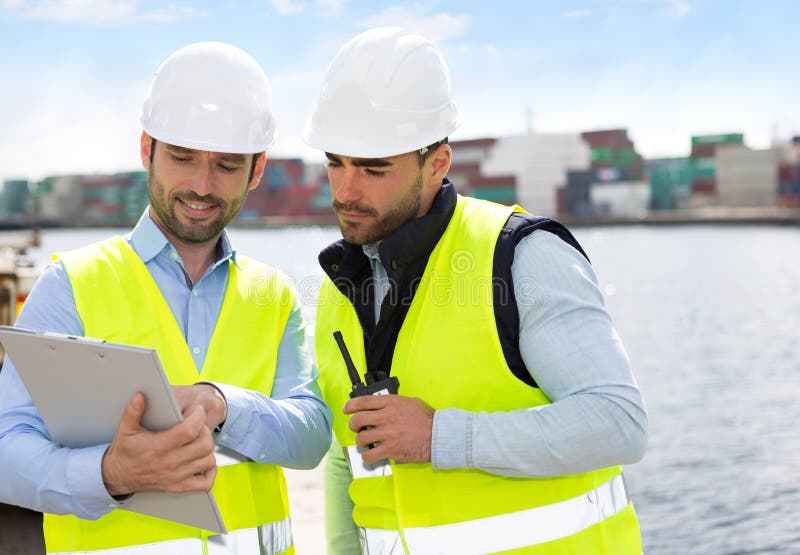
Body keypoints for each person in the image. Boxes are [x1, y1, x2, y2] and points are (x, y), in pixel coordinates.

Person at [303, 27, 648, 554]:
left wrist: (441, 436)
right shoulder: (339, 286)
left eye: (374, 169)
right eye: (336, 163)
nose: (346, 192)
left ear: (436, 164)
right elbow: (345, 458)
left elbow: (617, 423)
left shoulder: (522, 256)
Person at [0, 42, 332, 555]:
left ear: (257, 169)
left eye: (226, 165)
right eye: (182, 157)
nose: (201, 184)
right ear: (146, 149)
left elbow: (312, 436)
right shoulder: (70, 284)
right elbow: (6, 451)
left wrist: (225, 405)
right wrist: (109, 473)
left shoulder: (275, 293)